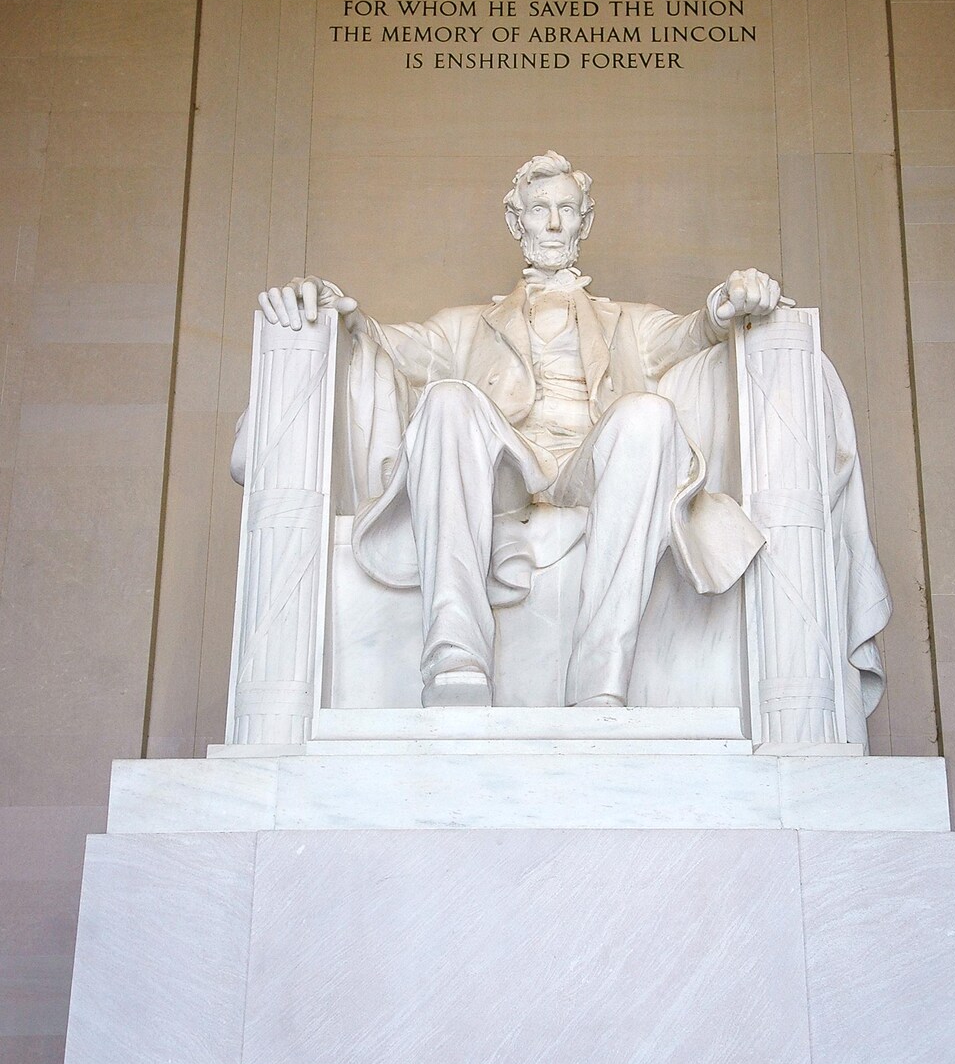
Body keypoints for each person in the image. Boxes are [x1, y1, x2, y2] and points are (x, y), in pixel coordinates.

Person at [257, 150, 782, 708]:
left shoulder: (632, 321)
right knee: (447, 400)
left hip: (593, 471)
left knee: (648, 414)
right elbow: (384, 342)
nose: (553, 223)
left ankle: (600, 676)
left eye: (566, 209)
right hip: (508, 475)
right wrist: (330, 304)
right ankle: (455, 654)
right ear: (516, 222)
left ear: (586, 221)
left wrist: (728, 302)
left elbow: (694, 331)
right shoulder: (464, 327)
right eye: (539, 210)